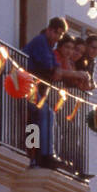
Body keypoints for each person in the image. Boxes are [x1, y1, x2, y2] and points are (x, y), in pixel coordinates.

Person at [24, 16, 67, 167]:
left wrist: (56, 70)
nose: (57, 37)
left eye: (60, 35)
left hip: (34, 89)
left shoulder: (49, 47)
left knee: (37, 119)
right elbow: (50, 67)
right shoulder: (40, 42)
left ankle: (37, 156)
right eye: (56, 33)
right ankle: (46, 154)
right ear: (49, 30)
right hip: (26, 87)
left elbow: (57, 69)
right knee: (45, 113)